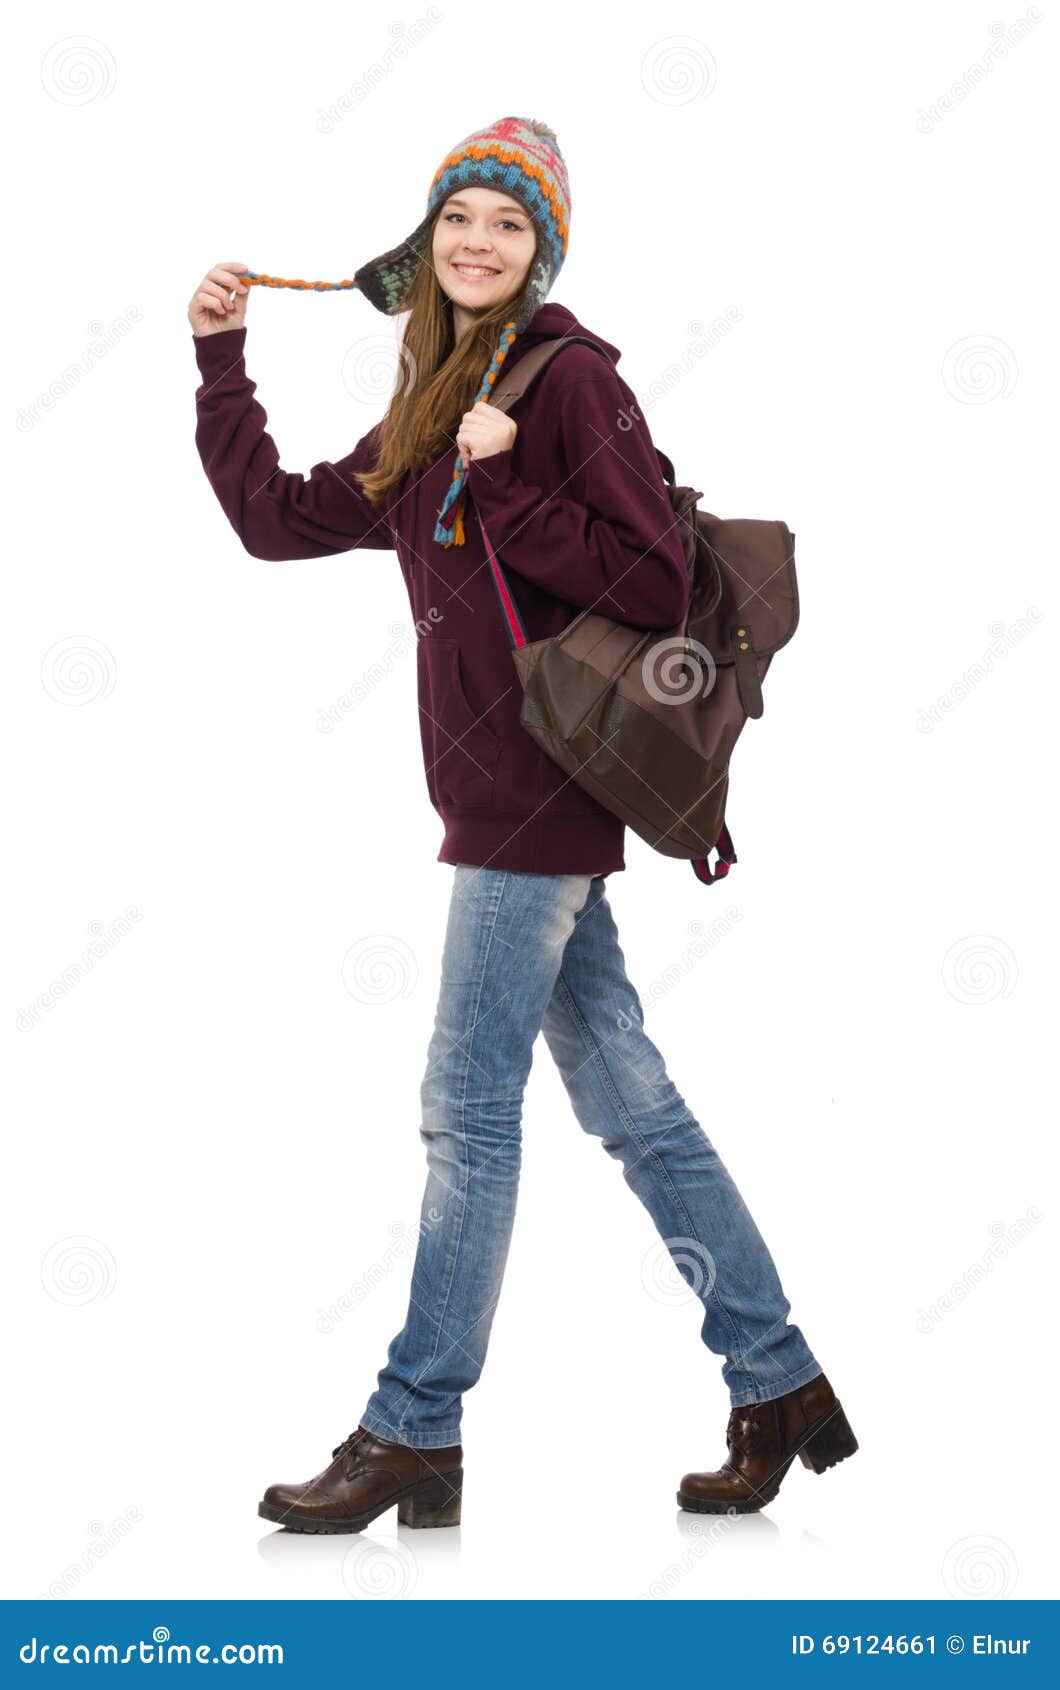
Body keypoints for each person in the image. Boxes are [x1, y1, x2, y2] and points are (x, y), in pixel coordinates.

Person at [189, 116, 857, 1533]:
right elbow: (278, 518)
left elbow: (657, 572)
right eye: (458, 221)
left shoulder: (572, 384)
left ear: (541, 251)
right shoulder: (436, 394)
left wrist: (506, 478)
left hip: (539, 796)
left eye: (507, 223)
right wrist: (219, 364)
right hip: (500, 793)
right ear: (428, 243)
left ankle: (413, 1425)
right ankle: (779, 1377)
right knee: (630, 1101)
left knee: (466, 1113)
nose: (479, 242)